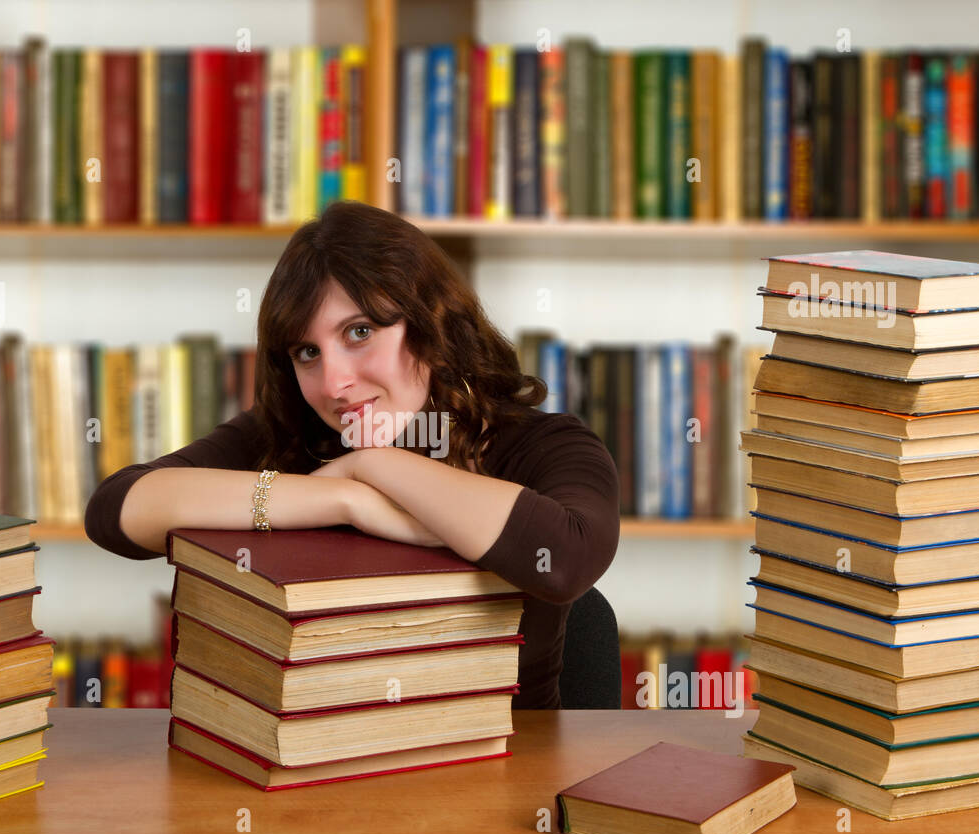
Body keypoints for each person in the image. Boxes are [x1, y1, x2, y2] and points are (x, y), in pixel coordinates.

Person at [84, 200, 620, 708]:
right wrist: (344, 500)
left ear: (431, 326)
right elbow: (117, 510)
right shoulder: (290, 436)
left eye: (359, 332)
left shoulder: (540, 444)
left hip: (501, 777)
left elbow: (565, 558)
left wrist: (374, 464)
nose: (334, 383)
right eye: (307, 352)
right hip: (320, 772)